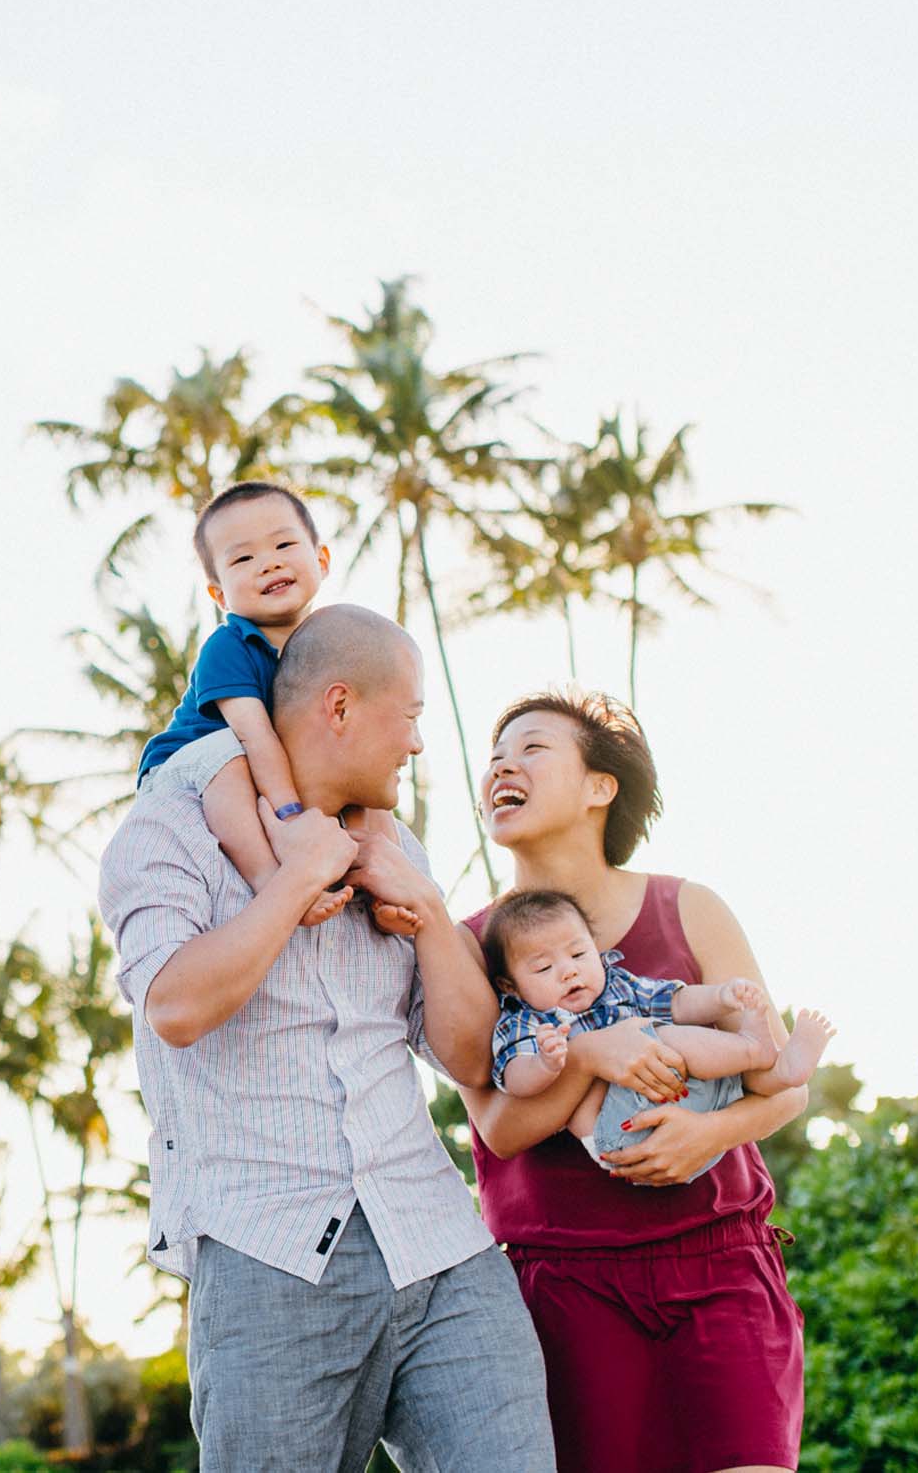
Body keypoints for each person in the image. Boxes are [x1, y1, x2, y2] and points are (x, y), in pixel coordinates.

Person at [100, 605, 555, 1473]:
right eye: (410, 716)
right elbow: (176, 1007)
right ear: (339, 706)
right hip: (270, 1256)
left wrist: (423, 908)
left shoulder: (397, 842)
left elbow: (468, 1056)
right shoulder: (170, 824)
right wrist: (298, 876)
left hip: (441, 1249)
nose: (418, 743)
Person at [459, 690, 812, 1473]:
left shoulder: (690, 907)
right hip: (565, 1289)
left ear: (599, 786)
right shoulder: (468, 947)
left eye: (533, 747)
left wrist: (711, 1135)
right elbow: (500, 1128)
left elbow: (784, 1081)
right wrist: (592, 1053)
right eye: (494, 755)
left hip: (720, 1266)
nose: (502, 765)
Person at [135, 480, 417, 935]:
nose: (269, 563)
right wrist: (293, 818)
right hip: (196, 762)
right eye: (243, 559)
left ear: (321, 561)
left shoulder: (329, 646)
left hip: (264, 761)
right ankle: (271, 880)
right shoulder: (229, 646)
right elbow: (255, 735)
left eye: (284, 544)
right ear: (220, 594)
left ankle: (387, 888)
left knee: (363, 776)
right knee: (227, 760)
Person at [484, 887, 835, 1178]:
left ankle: (781, 1070)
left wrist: (721, 997)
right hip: (621, 1137)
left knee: (692, 1046)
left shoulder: (618, 986)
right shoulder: (527, 1022)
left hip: (692, 1112)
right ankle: (752, 1048)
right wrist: (547, 1063)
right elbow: (514, 1080)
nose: (568, 972)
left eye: (579, 953)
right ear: (509, 986)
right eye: (544, 967)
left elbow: (677, 1001)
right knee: (654, 1034)